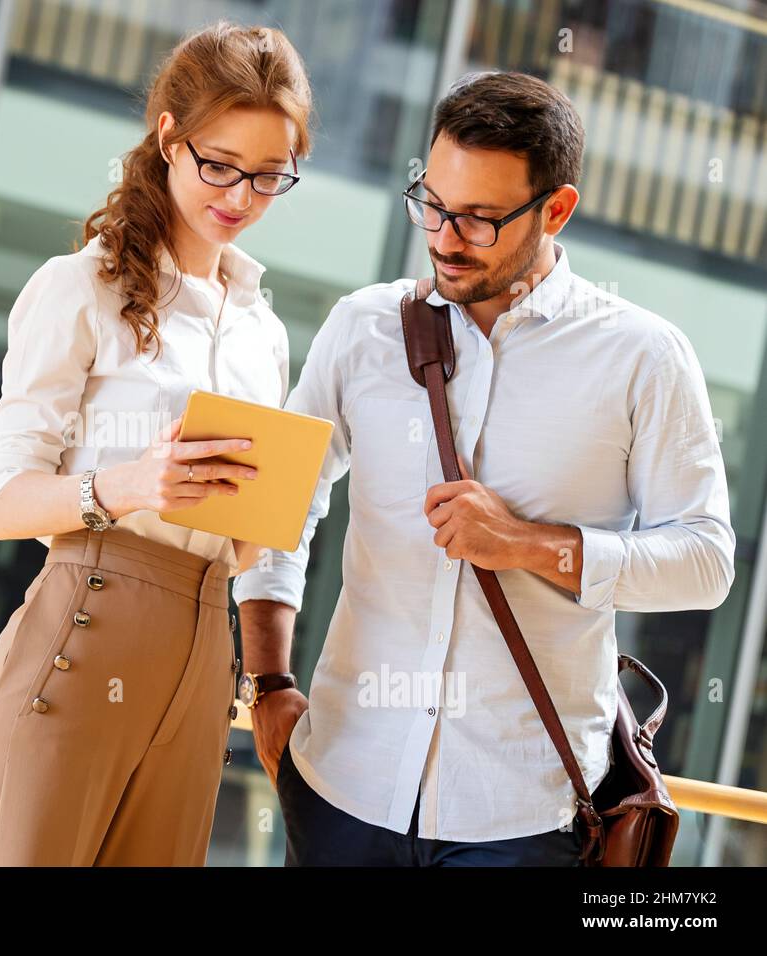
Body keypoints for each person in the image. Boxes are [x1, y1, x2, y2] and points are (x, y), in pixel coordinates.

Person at [233, 71, 735, 866]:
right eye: (431, 203)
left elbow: (705, 561)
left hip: (521, 817)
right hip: (339, 787)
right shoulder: (363, 327)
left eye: (478, 219)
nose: (443, 237)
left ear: (556, 210)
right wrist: (266, 682)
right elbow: (278, 507)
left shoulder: (643, 357)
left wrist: (531, 545)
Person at [0, 21, 312, 866]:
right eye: (220, 164)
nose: (242, 195)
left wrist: (264, 517)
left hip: (203, 657)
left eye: (269, 175)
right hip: (85, 628)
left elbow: (250, 542)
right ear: (168, 136)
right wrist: (128, 485)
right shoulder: (82, 287)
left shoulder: (262, 328)